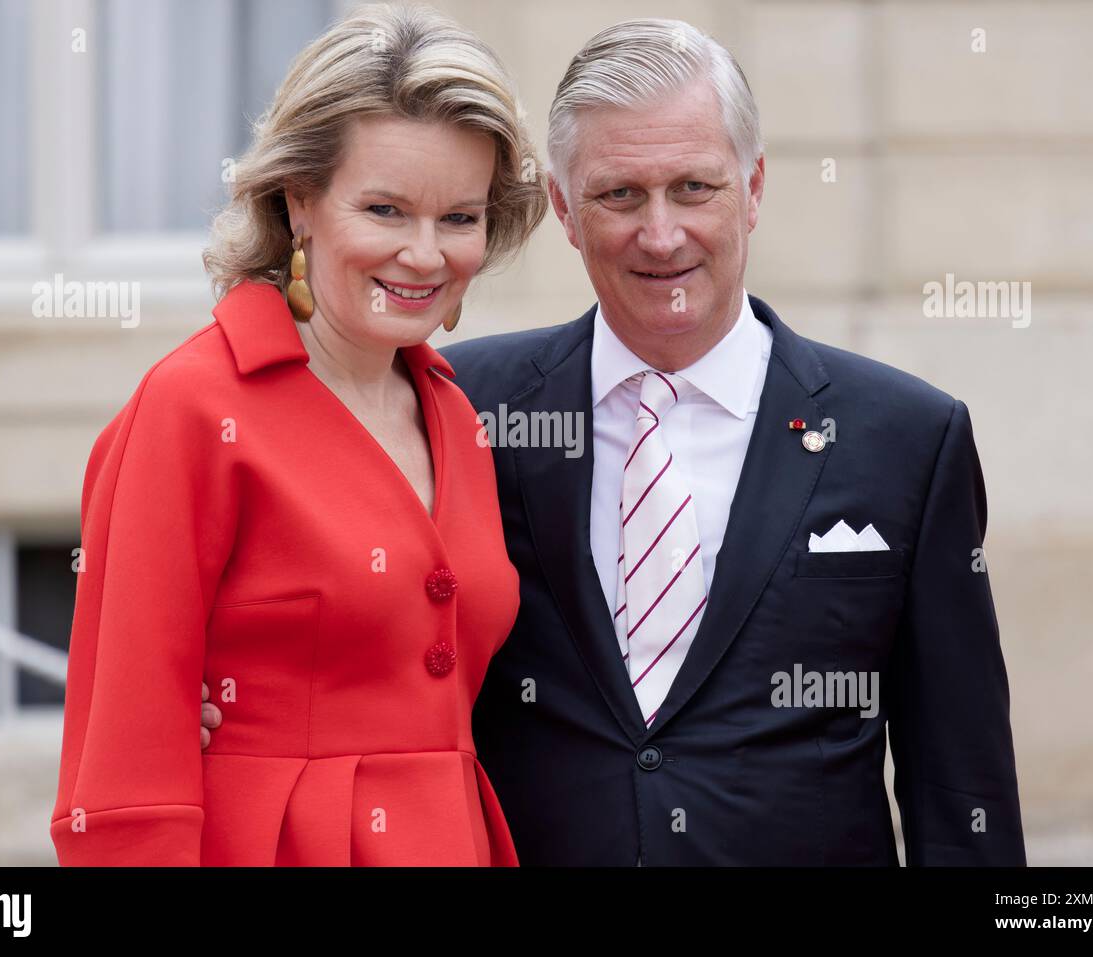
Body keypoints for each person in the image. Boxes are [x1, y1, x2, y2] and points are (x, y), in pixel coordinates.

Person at [205, 18, 1026, 866]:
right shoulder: (454, 408)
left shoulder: (906, 436)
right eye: (620, 195)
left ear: (753, 188)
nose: (660, 235)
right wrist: (217, 692)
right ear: (564, 208)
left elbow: (961, 786)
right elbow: (349, 624)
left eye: (694, 188)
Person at [51, 3, 546, 866]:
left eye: (459, 218)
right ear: (299, 200)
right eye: (385, 209)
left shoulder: (457, 416)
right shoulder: (192, 406)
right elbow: (123, 781)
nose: (425, 254)